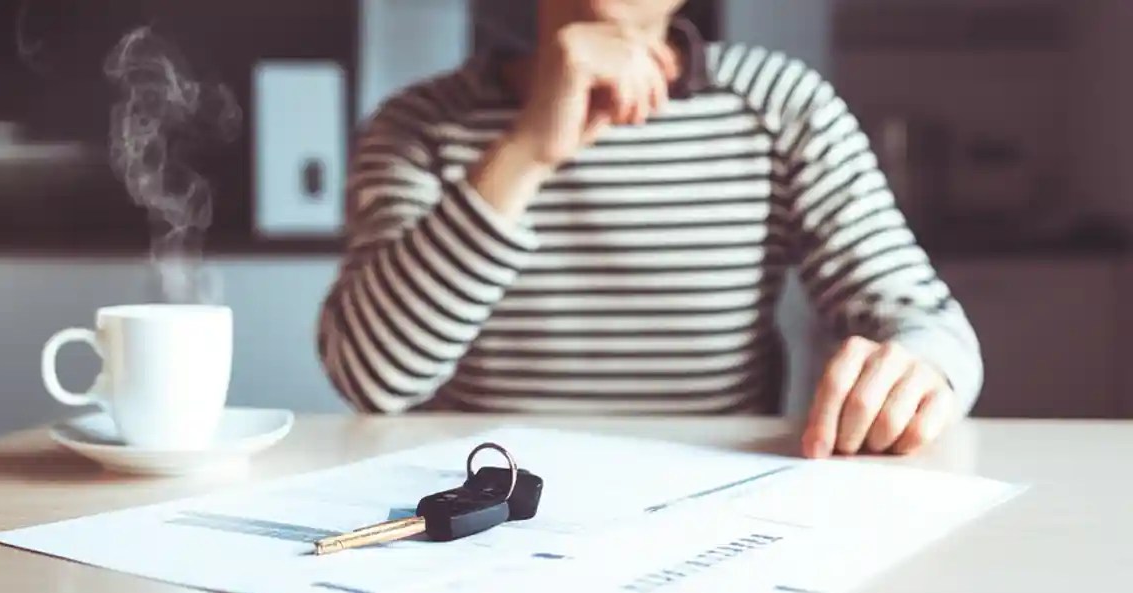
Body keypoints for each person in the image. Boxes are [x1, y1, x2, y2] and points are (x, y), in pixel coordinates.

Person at [317, 0, 982, 459]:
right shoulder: (416, 126)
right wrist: (527, 152)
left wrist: (920, 371)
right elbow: (374, 377)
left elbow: (927, 322)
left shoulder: (780, 105)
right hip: (492, 509)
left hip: (713, 509)